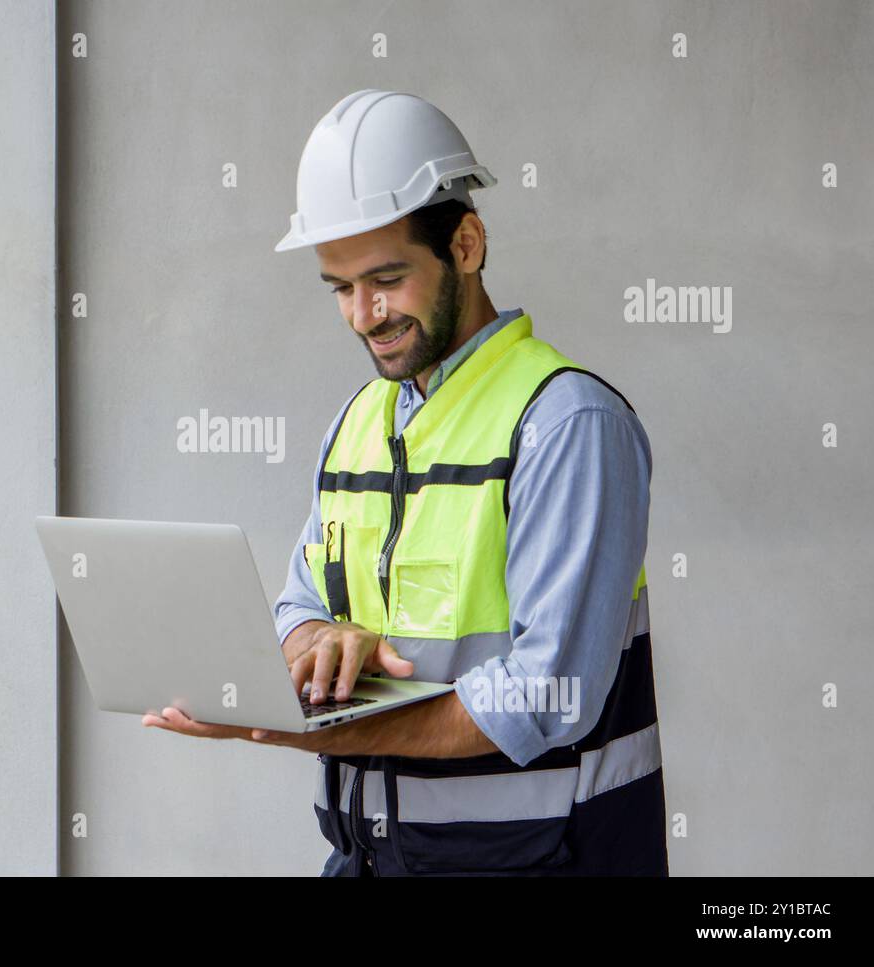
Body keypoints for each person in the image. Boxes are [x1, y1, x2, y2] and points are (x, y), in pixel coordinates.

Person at [143, 90, 667, 877]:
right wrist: (319, 644)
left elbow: (546, 696)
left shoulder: (565, 424)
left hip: (538, 863)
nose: (364, 314)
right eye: (341, 287)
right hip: (370, 860)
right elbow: (299, 603)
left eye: (386, 278)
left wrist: (308, 728)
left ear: (466, 243)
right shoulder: (358, 421)